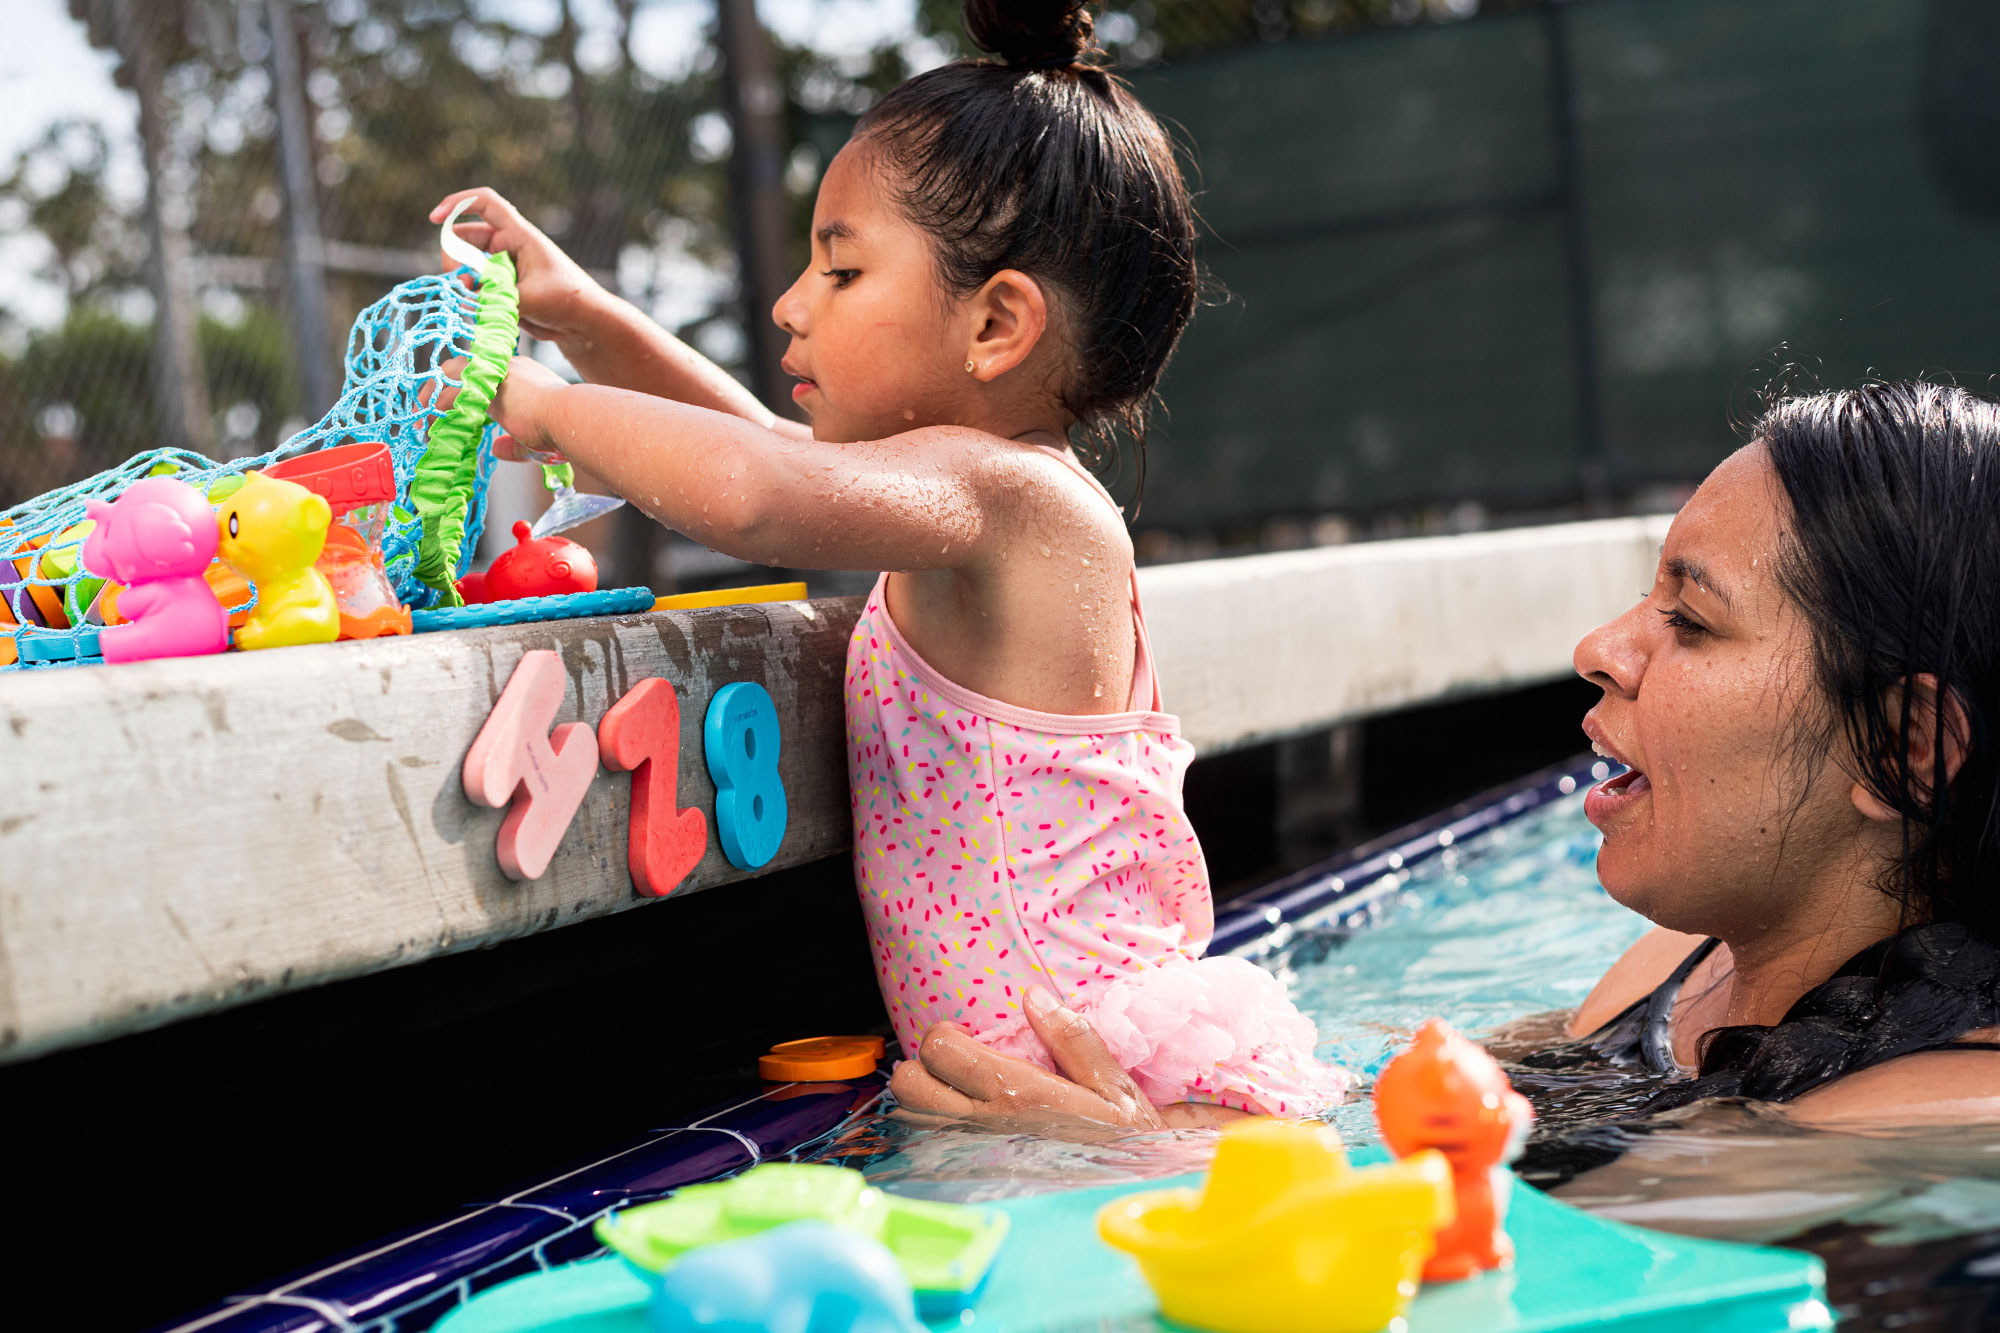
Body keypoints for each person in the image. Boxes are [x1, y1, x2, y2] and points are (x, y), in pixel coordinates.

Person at [433, 1, 1348, 1121]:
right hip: (1043, 1097)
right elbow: (759, 444)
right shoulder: (965, 497)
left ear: (994, 325)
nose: (788, 303)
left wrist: (539, 402)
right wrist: (582, 316)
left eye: (840, 271)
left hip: (1112, 1106)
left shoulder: (1017, 498)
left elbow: (756, 492)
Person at [892, 380, 2000, 1130]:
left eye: (1692, 621)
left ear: (1901, 746)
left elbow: (1518, 1263)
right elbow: (1408, 1104)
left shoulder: (1934, 1112)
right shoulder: (1684, 957)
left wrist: (1126, 1152)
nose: (1598, 649)